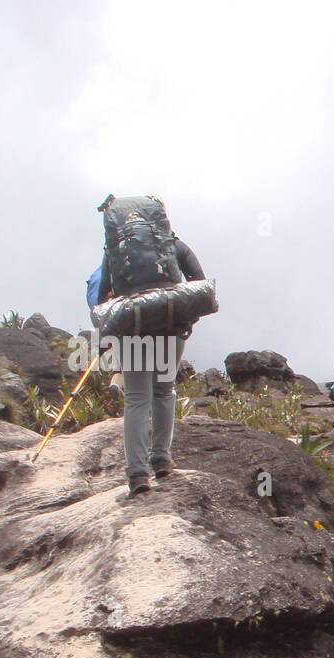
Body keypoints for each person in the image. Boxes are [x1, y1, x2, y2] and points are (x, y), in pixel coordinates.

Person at [95, 197, 205, 496]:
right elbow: (198, 282)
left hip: (131, 326)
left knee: (136, 398)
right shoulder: (173, 245)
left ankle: (137, 474)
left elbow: (102, 294)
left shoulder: (116, 251)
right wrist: (185, 316)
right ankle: (161, 458)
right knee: (164, 390)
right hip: (170, 324)